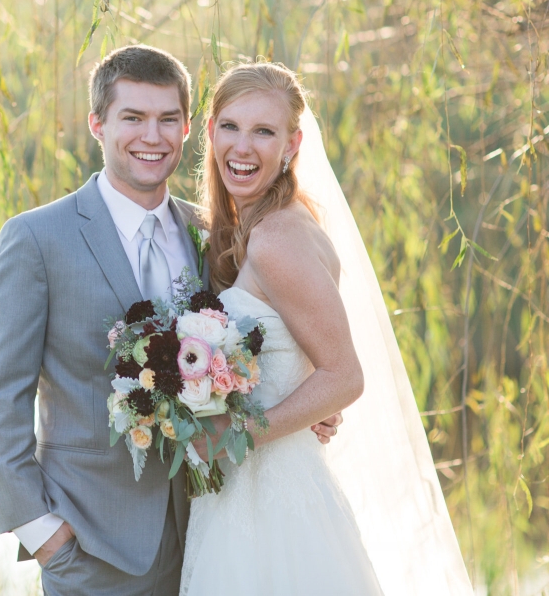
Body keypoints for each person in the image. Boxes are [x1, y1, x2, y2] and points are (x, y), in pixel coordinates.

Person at [0, 46, 340, 596]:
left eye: (168, 119)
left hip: (209, 534)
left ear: (190, 128)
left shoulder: (213, 236)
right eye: (133, 118)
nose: (152, 136)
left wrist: (310, 403)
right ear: (98, 123)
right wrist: (42, 533)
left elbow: (254, 350)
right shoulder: (36, 240)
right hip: (92, 549)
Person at [180, 62, 472, 595]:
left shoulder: (277, 238)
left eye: (264, 132)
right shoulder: (265, 225)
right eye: (231, 126)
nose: (243, 147)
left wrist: (241, 432)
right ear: (210, 132)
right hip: (251, 489)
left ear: (292, 144)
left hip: (271, 498)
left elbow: (345, 376)